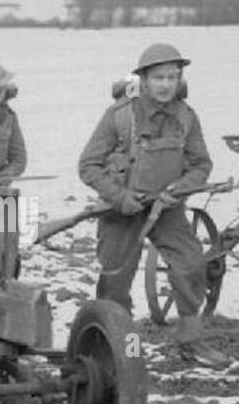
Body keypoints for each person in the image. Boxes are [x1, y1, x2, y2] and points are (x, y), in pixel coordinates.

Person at [77, 42, 229, 367]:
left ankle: (191, 343)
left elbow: (201, 164)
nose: (165, 84)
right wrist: (120, 198)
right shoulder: (119, 117)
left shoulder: (187, 118)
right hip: (122, 213)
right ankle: (122, 351)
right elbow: (88, 165)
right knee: (115, 286)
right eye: (158, 77)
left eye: (172, 77)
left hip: (167, 211)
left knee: (191, 266)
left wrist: (180, 190)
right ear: (143, 79)